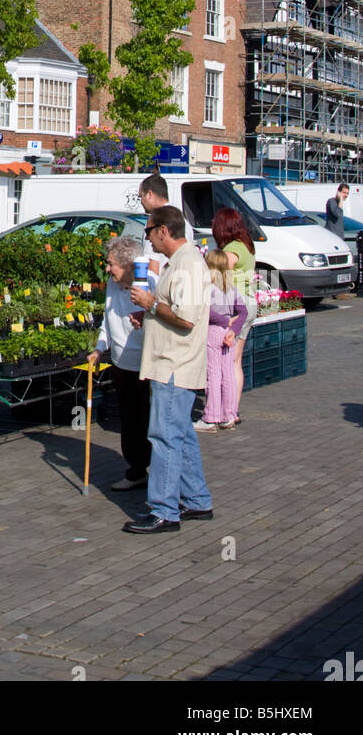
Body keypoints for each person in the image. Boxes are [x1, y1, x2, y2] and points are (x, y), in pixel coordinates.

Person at [123, 204, 213, 534]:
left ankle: (164, 510)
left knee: (164, 437)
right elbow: (173, 310)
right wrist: (147, 314)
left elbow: (185, 318)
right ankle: (197, 500)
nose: (147, 239)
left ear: (164, 231)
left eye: (148, 232)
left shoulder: (188, 265)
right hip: (172, 362)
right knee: (181, 435)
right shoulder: (182, 262)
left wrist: (150, 305)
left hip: (174, 364)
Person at [87, 236, 156, 490]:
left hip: (146, 363)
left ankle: (158, 472)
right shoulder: (112, 285)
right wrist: (99, 348)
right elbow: (108, 319)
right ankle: (137, 470)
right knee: (130, 420)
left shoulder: (150, 283)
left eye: (111, 264)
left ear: (128, 265)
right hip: (120, 362)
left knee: (150, 420)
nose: (107, 268)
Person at [194, 249, 248, 433]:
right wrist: (233, 329)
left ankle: (211, 417)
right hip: (228, 334)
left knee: (213, 375)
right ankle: (228, 415)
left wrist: (224, 322)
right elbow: (243, 312)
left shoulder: (207, 286)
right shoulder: (230, 287)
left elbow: (205, 311)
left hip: (213, 331)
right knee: (228, 375)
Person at [211, 207, 257, 423]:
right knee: (236, 360)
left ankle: (228, 411)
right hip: (249, 301)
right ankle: (233, 409)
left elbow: (222, 272)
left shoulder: (231, 249)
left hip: (236, 305)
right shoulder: (247, 245)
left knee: (228, 361)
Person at [138, 172, 192, 276]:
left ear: (149, 194)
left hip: (162, 284)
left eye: (141, 196)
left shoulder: (154, 223)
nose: (141, 201)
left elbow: (152, 265)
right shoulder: (182, 220)